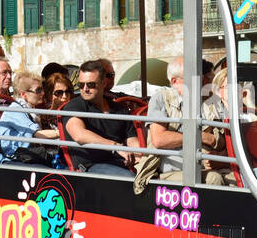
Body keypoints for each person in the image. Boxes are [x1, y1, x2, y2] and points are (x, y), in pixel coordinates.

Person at [140, 56, 227, 189]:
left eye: (201, 76)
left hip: (211, 166)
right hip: (176, 171)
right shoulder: (161, 98)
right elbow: (159, 139)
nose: (201, 81)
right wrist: (202, 137)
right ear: (175, 82)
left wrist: (220, 158)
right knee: (214, 179)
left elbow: (229, 139)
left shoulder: (211, 100)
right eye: (194, 77)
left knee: (241, 179)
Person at [62, 60, 139, 176]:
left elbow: (131, 139)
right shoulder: (75, 105)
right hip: (90, 166)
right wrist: (116, 147)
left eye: (90, 84)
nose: (85, 89)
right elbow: (79, 135)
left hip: (119, 162)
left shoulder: (119, 109)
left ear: (103, 83)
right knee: (129, 179)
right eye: (81, 85)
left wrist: (139, 156)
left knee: (156, 175)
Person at [0, 70, 60, 164]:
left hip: (24, 156)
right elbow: (38, 134)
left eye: (42, 89)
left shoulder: (31, 111)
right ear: (24, 95)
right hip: (10, 159)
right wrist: (62, 133)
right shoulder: (15, 110)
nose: (42, 93)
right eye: (38, 90)